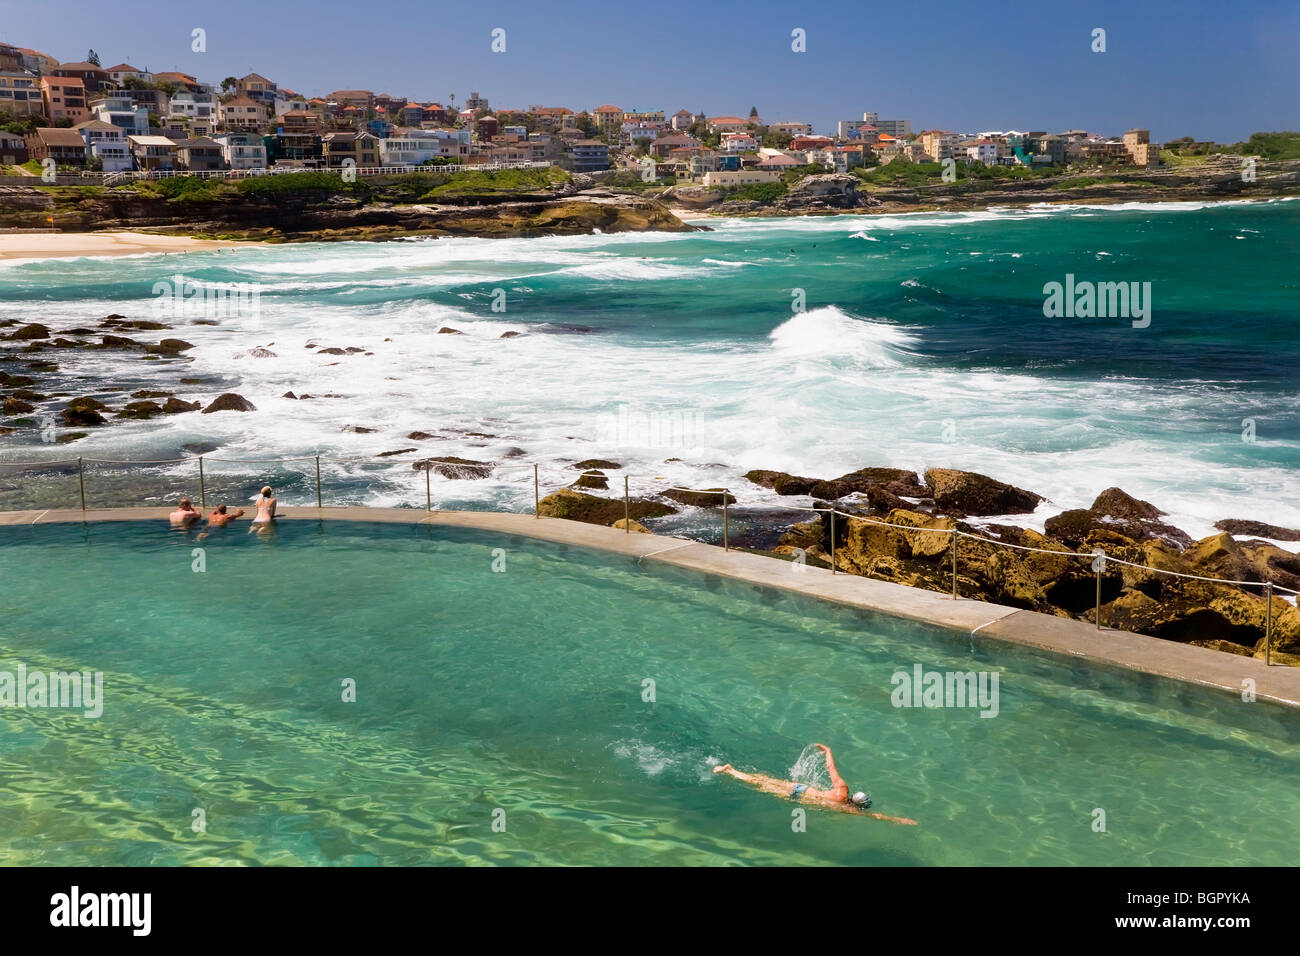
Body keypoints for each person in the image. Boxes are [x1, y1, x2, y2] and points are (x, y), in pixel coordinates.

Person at [713, 743, 917, 825]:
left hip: (800, 788)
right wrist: (899, 820)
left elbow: (831, 768)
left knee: (763, 779)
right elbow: (877, 816)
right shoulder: (847, 810)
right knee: (760, 786)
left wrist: (828, 751)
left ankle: (733, 770)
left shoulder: (842, 789)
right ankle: (731, 771)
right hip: (796, 797)